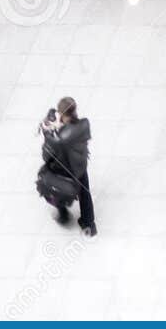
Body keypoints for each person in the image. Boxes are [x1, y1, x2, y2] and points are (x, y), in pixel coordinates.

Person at [37, 96, 96, 236]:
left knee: (55, 188)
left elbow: (46, 156)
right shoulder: (84, 124)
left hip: (64, 170)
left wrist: (48, 134)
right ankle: (89, 224)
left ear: (61, 114)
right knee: (85, 194)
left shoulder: (57, 139)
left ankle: (63, 214)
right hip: (80, 166)